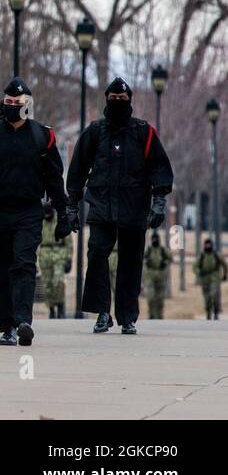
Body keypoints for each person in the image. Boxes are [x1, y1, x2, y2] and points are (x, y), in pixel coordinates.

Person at [0, 77, 68, 346]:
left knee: (24, 264)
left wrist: (64, 212)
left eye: (17, 103)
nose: (12, 106)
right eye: (8, 102)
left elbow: (54, 178)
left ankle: (23, 322)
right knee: (2, 268)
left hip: (29, 211)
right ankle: (6, 326)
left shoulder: (43, 135)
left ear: (27, 105)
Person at [66, 77, 174, 335]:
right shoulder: (95, 131)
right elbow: (78, 168)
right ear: (106, 100)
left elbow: (160, 167)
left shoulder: (143, 132)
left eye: (122, 99)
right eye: (113, 99)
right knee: (97, 255)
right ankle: (102, 312)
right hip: (102, 206)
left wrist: (159, 202)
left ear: (130, 101)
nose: (117, 103)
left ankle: (127, 316)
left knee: (130, 262)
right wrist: (72, 204)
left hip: (134, 207)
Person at [38, 203, 70, 318]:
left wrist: (69, 258)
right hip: (45, 255)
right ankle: (51, 308)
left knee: (58, 282)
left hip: (59, 254)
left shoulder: (60, 220)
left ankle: (60, 305)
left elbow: (68, 241)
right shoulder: (41, 222)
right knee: (47, 285)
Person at [143, 232, 171, 320]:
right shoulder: (149, 249)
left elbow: (169, 258)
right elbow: (143, 258)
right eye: (153, 239)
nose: (155, 240)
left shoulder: (163, 250)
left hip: (161, 274)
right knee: (151, 296)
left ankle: (159, 316)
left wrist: (164, 263)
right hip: (150, 274)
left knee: (160, 298)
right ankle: (151, 314)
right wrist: (146, 262)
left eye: (156, 239)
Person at [194, 240, 226, 320]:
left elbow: (224, 265)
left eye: (209, 245)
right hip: (205, 279)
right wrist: (199, 272)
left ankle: (216, 311)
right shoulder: (202, 256)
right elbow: (195, 266)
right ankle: (208, 312)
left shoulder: (217, 255)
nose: (207, 246)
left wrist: (225, 275)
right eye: (206, 245)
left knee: (214, 295)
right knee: (207, 297)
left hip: (215, 278)